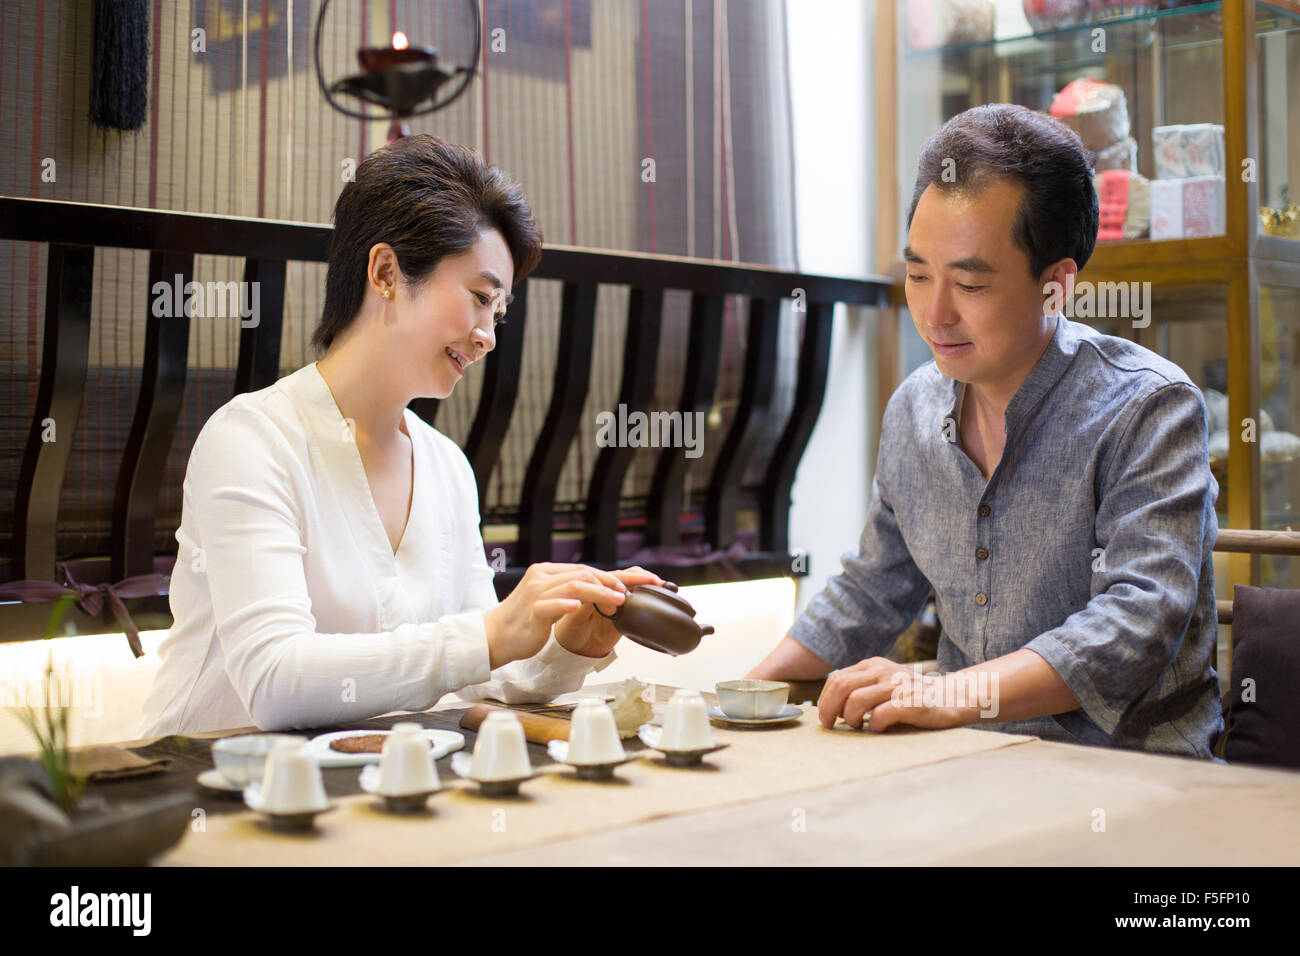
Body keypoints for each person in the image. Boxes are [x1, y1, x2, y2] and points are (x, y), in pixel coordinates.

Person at [138, 135, 658, 737]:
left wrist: (568, 647)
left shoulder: (446, 467)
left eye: (500, 312)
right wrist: (490, 633)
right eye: (480, 297)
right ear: (386, 272)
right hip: (201, 787)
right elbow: (274, 681)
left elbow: (466, 677)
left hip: (358, 794)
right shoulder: (252, 441)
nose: (488, 334)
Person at [747, 104, 1224, 759]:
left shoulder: (1150, 407)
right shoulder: (915, 410)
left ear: (1056, 286)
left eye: (969, 283)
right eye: (918, 275)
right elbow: (871, 589)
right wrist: (739, 697)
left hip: (1133, 780)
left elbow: (1135, 625)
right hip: (969, 763)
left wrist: (946, 695)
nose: (935, 313)